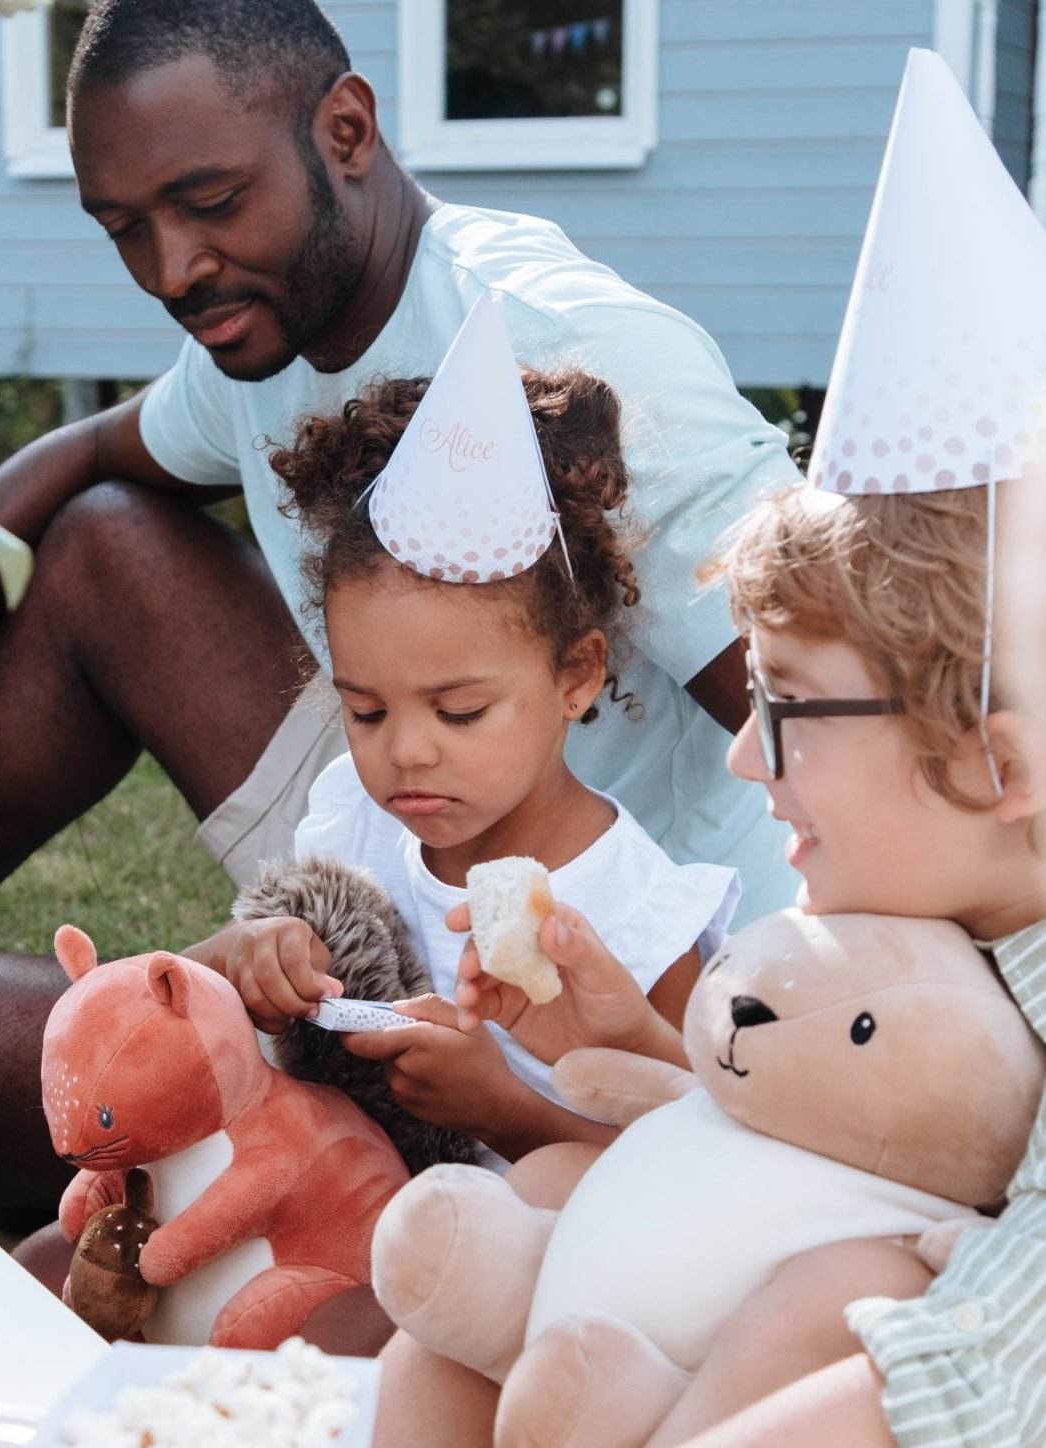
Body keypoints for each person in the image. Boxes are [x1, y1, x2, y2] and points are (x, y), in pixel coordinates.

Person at [0, 0, 797, 1226]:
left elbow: (824, 692)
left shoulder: (581, 354)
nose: (172, 270)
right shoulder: (263, 344)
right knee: (107, 536)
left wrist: (794, 1031)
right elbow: (79, 458)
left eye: (210, 202)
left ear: (345, 129)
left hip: (606, 946)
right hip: (393, 823)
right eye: (125, 231)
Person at [384, 479, 1046, 1448]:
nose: (746, 754)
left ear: (993, 759)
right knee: (552, 1199)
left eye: (787, 704)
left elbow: (972, 1396)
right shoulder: (932, 908)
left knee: (834, 1297)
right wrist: (624, 1044)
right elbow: (887, 1160)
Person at [187, 339, 736, 1166]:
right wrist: (240, 961)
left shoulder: (637, 915)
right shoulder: (354, 826)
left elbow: (699, 1167)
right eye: (365, 710)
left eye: (460, 712)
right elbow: (180, 993)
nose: (405, 752)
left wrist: (503, 1113)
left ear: (576, 677)